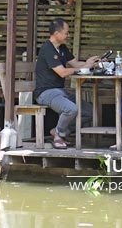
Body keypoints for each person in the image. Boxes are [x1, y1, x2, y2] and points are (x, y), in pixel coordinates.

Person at [34, 18, 99, 149]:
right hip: (45, 92)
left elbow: (75, 64)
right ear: (57, 33)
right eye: (66, 33)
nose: (68, 36)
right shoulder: (47, 49)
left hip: (61, 91)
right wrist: (82, 68)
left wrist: (89, 63)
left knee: (89, 111)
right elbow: (62, 72)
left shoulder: (62, 48)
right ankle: (59, 135)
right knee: (71, 109)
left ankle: (59, 130)